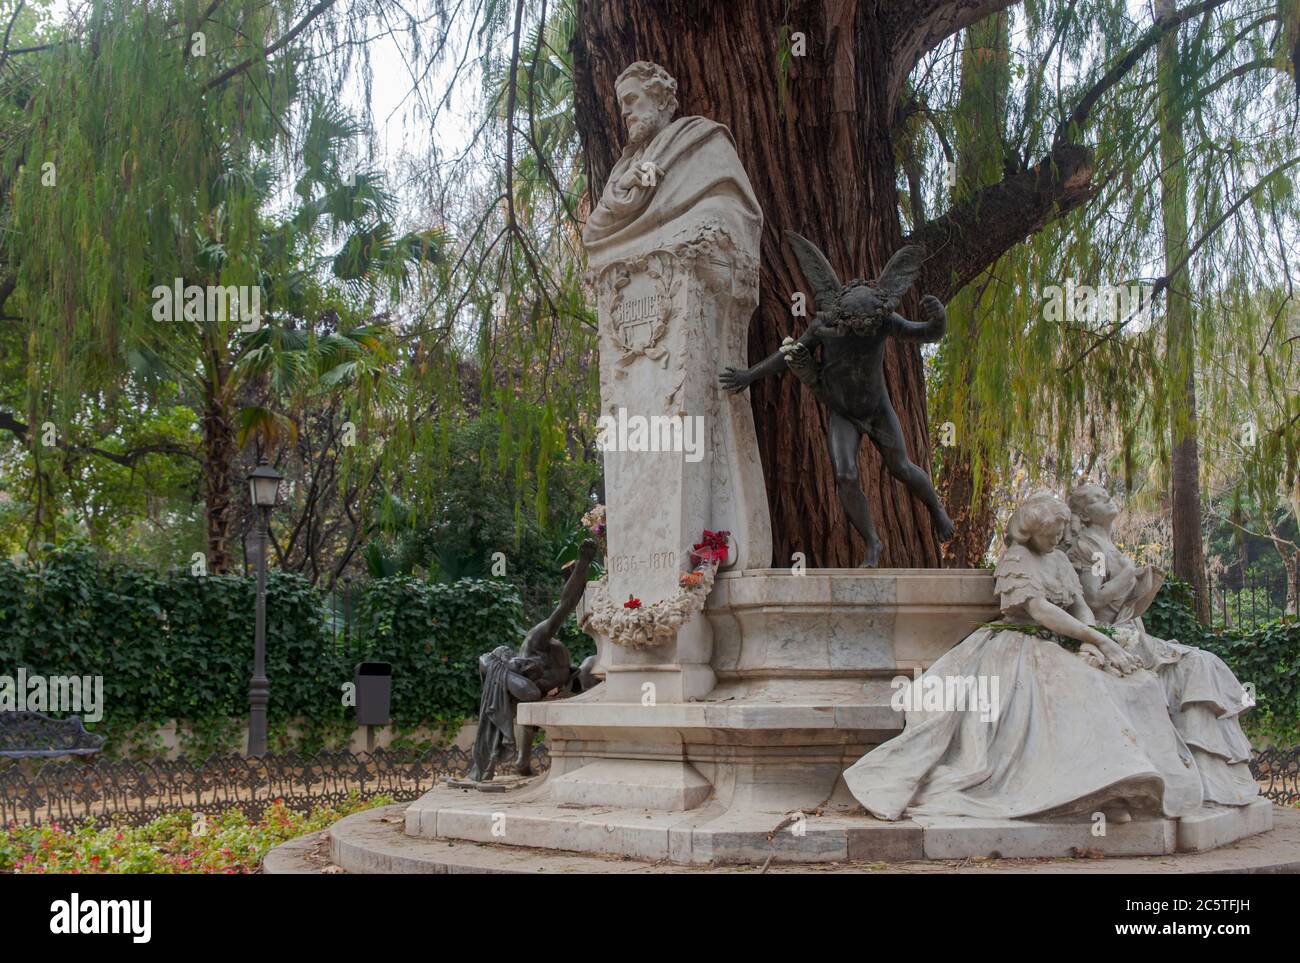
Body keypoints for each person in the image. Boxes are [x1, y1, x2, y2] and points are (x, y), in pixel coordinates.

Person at [843, 492, 1204, 822]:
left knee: (1131, 683)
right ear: (1030, 532)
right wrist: (1093, 639)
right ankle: (1087, 790)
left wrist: (1094, 641)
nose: (1060, 540)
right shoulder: (1017, 560)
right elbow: (1040, 610)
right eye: (1052, 535)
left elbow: (1081, 606)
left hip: (1067, 640)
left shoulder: (1059, 559)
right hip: (1020, 645)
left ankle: (1120, 783)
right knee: (1077, 687)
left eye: (1062, 533)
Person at [1062, 484, 1258, 806]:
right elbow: (1094, 597)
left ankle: (1209, 773)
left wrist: (1138, 582)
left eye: (1106, 493)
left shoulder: (1105, 545)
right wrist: (1129, 576)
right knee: (1198, 664)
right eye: (1098, 498)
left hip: (1132, 633)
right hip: (1116, 638)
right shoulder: (1091, 549)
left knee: (1202, 662)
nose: (1109, 497)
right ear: (1084, 515)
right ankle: (1203, 774)